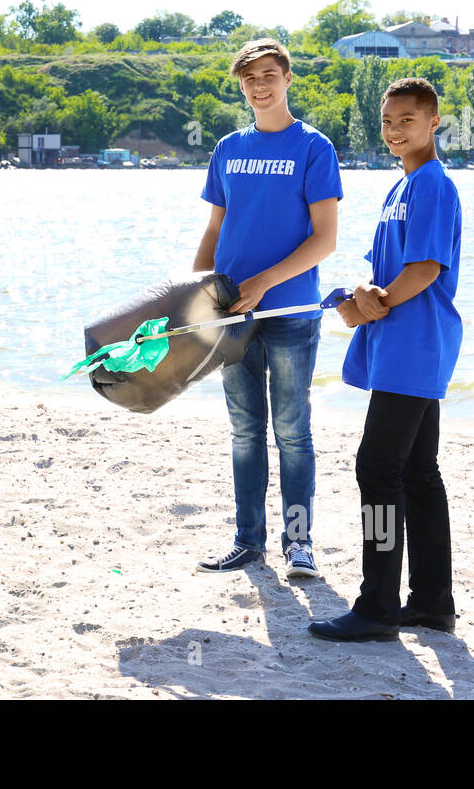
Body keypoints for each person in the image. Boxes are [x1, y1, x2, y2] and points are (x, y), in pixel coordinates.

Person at [308, 78, 463, 642]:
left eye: (407, 120)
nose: (395, 131)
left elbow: (424, 269)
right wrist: (358, 291)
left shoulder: (434, 186)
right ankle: (431, 603)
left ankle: (377, 606)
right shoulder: (399, 187)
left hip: (416, 346)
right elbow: (376, 265)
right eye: (388, 121)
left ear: (433, 122)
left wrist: (371, 309)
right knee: (418, 473)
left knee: (377, 470)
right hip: (401, 347)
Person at [193, 38, 342, 579]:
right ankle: (247, 541)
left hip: (291, 313)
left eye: (269, 74)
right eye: (249, 77)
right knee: (244, 431)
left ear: (288, 79)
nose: (259, 84)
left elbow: (324, 241)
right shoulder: (228, 147)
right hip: (232, 313)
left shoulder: (313, 147)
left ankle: (299, 544)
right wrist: (191, 298)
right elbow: (215, 230)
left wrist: (262, 284)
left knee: (292, 430)